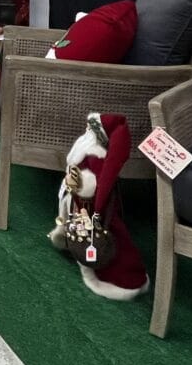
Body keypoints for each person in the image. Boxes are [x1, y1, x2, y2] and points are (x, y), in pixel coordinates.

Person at [49, 112, 150, 300]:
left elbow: (92, 185)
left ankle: (113, 278)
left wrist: (77, 183)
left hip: (87, 205)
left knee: (98, 237)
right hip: (83, 203)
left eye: (92, 127)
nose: (88, 130)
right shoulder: (88, 148)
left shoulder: (97, 154)